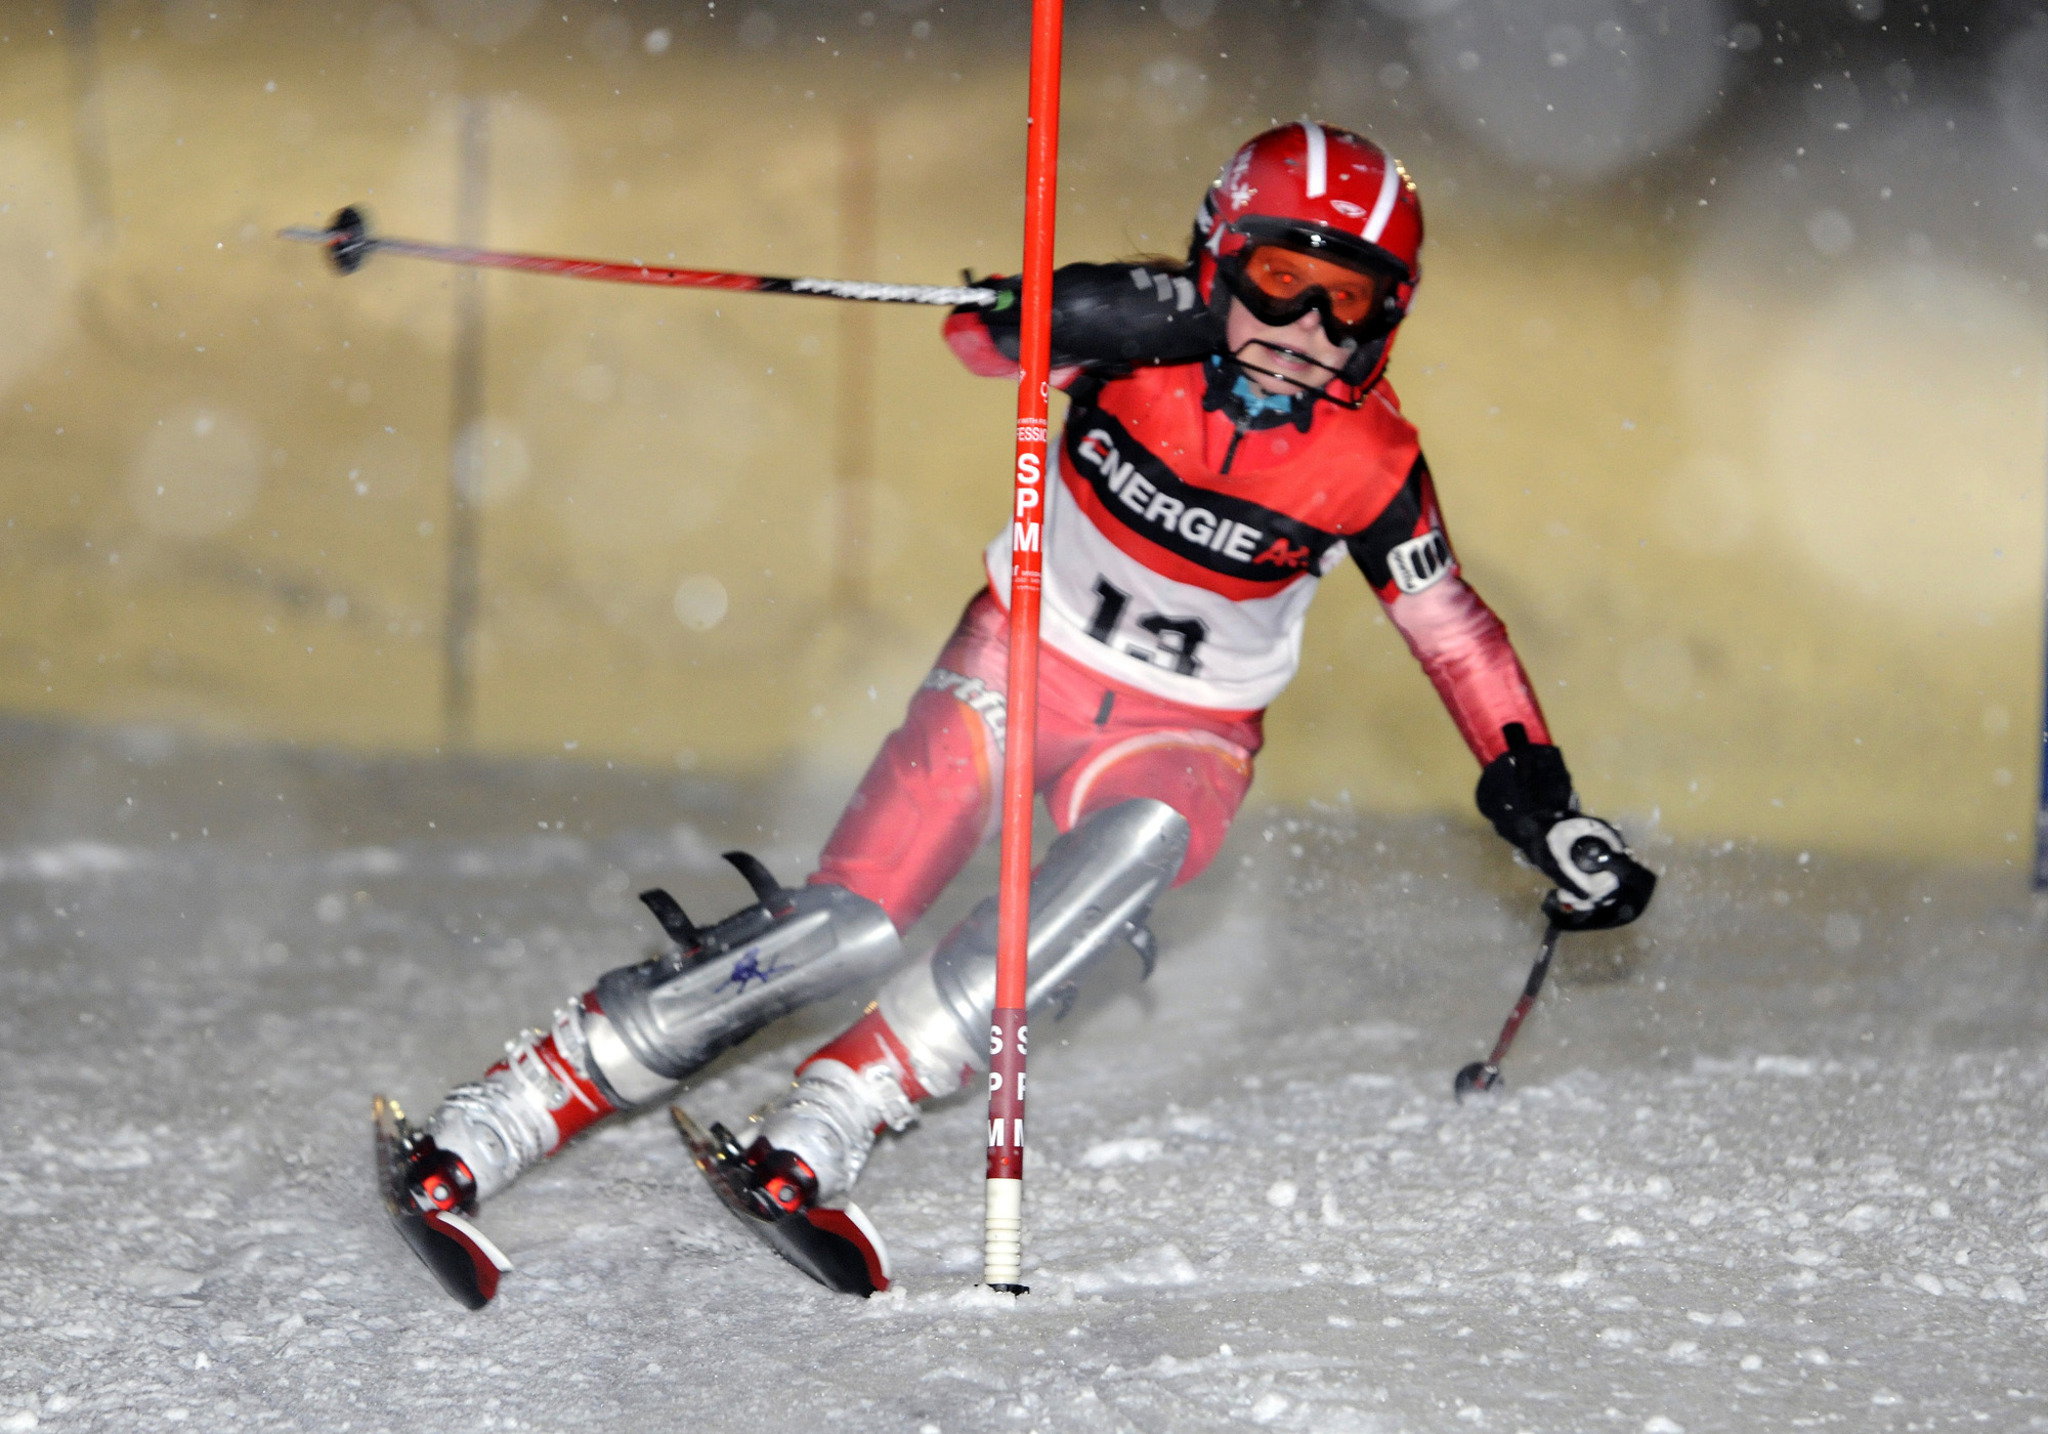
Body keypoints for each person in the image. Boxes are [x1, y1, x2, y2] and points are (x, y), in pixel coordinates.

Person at [381, 122, 1656, 1304]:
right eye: (1278, 280)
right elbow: (975, 343)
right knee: (848, 927)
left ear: (1388, 318)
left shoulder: (1371, 464)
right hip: (1015, 660)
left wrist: (1538, 802)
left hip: (1186, 731)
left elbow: (1452, 631)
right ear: (1218, 260)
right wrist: (1053, 306)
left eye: (1349, 300)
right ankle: (516, 1107)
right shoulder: (1139, 346)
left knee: (1124, 858)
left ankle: (833, 1113)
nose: (1305, 328)